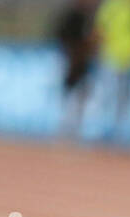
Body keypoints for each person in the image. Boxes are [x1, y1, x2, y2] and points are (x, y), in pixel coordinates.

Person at [94, 0, 130, 142]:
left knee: (124, 99)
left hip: (129, 59)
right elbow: (100, 29)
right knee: (107, 95)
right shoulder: (113, 6)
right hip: (111, 57)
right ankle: (102, 129)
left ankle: (120, 133)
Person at [52, 0, 98, 140]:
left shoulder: (90, 17)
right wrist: (72, 50)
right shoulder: (73, 17)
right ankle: (64, 126)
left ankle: (75, 127)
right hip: (70, 60)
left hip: (83, 62)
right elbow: (61, 35)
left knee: (82, 94)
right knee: (69, 91)